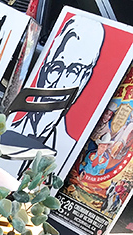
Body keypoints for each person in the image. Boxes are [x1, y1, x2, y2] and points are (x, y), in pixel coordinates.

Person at [14, 16, 105, 146]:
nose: (60, 82)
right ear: (44, 68)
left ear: (84, 78)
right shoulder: (6, 130)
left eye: (74, 71)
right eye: (57, 68)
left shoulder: (69, 148)